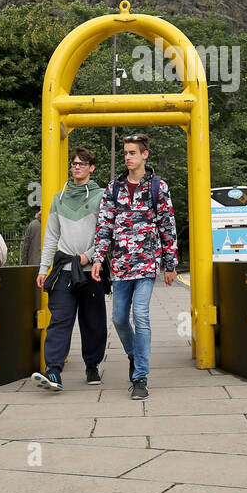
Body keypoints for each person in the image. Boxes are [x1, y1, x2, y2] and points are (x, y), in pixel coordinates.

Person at [90, 133, 177, 400]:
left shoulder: (157, 187)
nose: (128, 157)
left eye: (132, 153)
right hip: (120, 264)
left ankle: (140, 377)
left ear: (144, 155)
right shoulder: (113, 188)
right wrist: (97, 257)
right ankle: (133, 355)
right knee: (118, 318)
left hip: (147, 264)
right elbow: (104, 225)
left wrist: (170, 264)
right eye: (125, 153)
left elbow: (167, 225)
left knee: (140, 315)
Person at [30, 148, 106, 391]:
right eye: (74, 163)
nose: (77, 167)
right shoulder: (58, 198)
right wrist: (43, 269)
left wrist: (89, 256)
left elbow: (107, 235)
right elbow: (51, 236)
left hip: (90, 270)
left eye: (83, 164)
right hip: (63, 270)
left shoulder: (102, 196)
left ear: (92, 168)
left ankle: (92, 365)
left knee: (93, 321)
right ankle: (53, 371)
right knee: (59, 320)